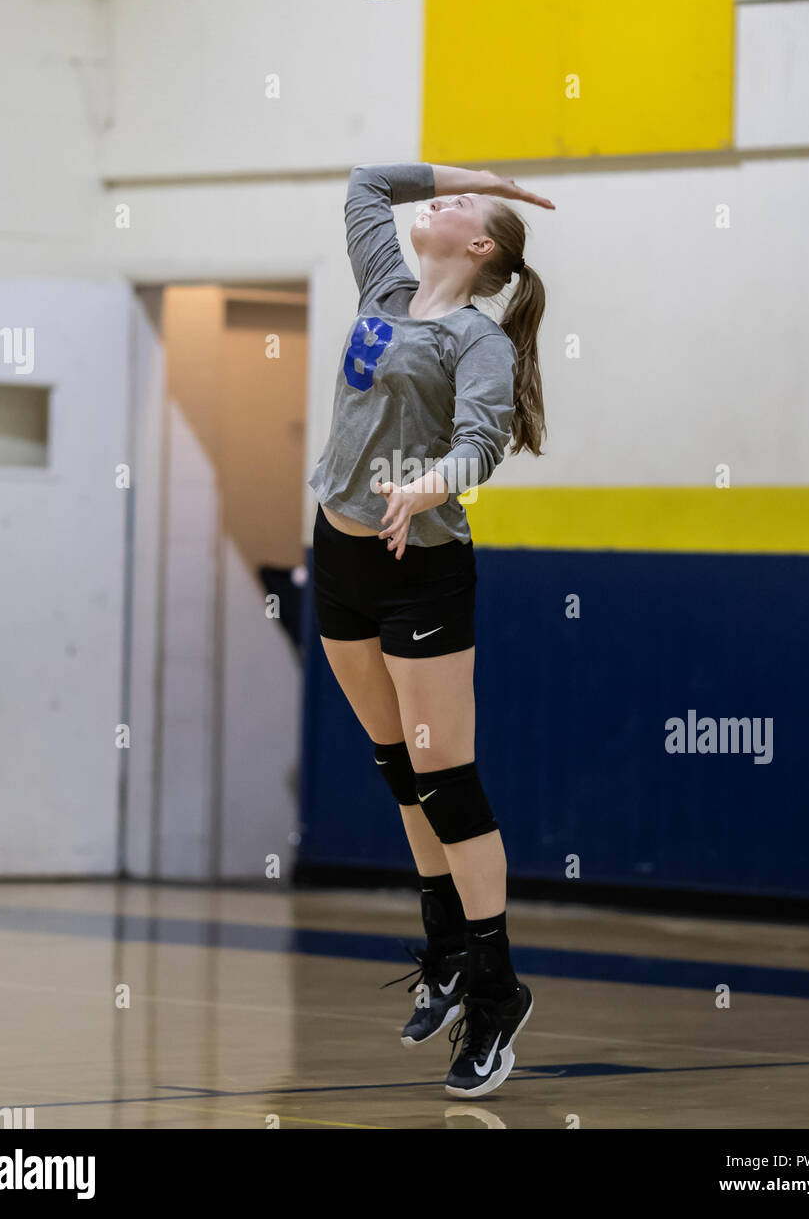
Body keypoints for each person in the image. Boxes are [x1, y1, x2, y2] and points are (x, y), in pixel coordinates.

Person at [308, 162, 554, 1096]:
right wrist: (481, 175)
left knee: (445, 779)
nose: (434, 209)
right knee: (395, 764)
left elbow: (483, 440)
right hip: (341, 553)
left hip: (423, 569)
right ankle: (447, 948)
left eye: (455, 207)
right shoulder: (387, 286)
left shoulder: (475, 338)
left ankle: (494, 991)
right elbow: (370, 184)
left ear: (480, 247)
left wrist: (432, 481)